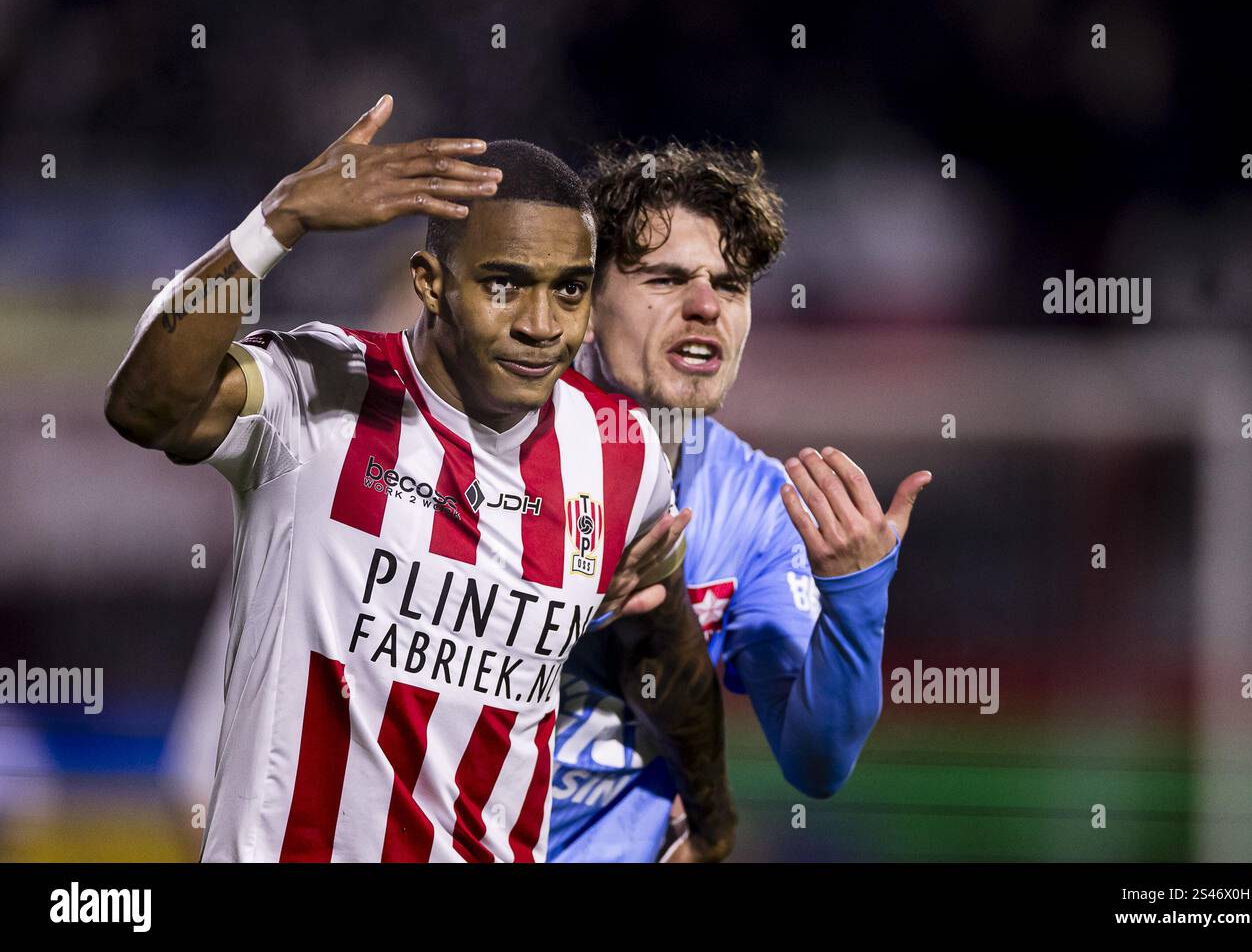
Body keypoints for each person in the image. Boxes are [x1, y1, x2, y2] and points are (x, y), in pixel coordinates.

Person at [104, 96, 733, 862]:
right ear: (432, 283)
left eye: (569, 289)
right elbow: (143, 406)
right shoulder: (319, 391)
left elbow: (664, 646)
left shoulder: (621, 455)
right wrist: (276, 222)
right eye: (505, 285)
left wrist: (711, 821)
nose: (543, 323)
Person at [548, 142, 931, 862]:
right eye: (665, 279)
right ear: (586, 305)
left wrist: (856, 596)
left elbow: (817, 765)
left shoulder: (761, 506)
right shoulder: (483, 449)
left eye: (729, 286)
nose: (704, 307)